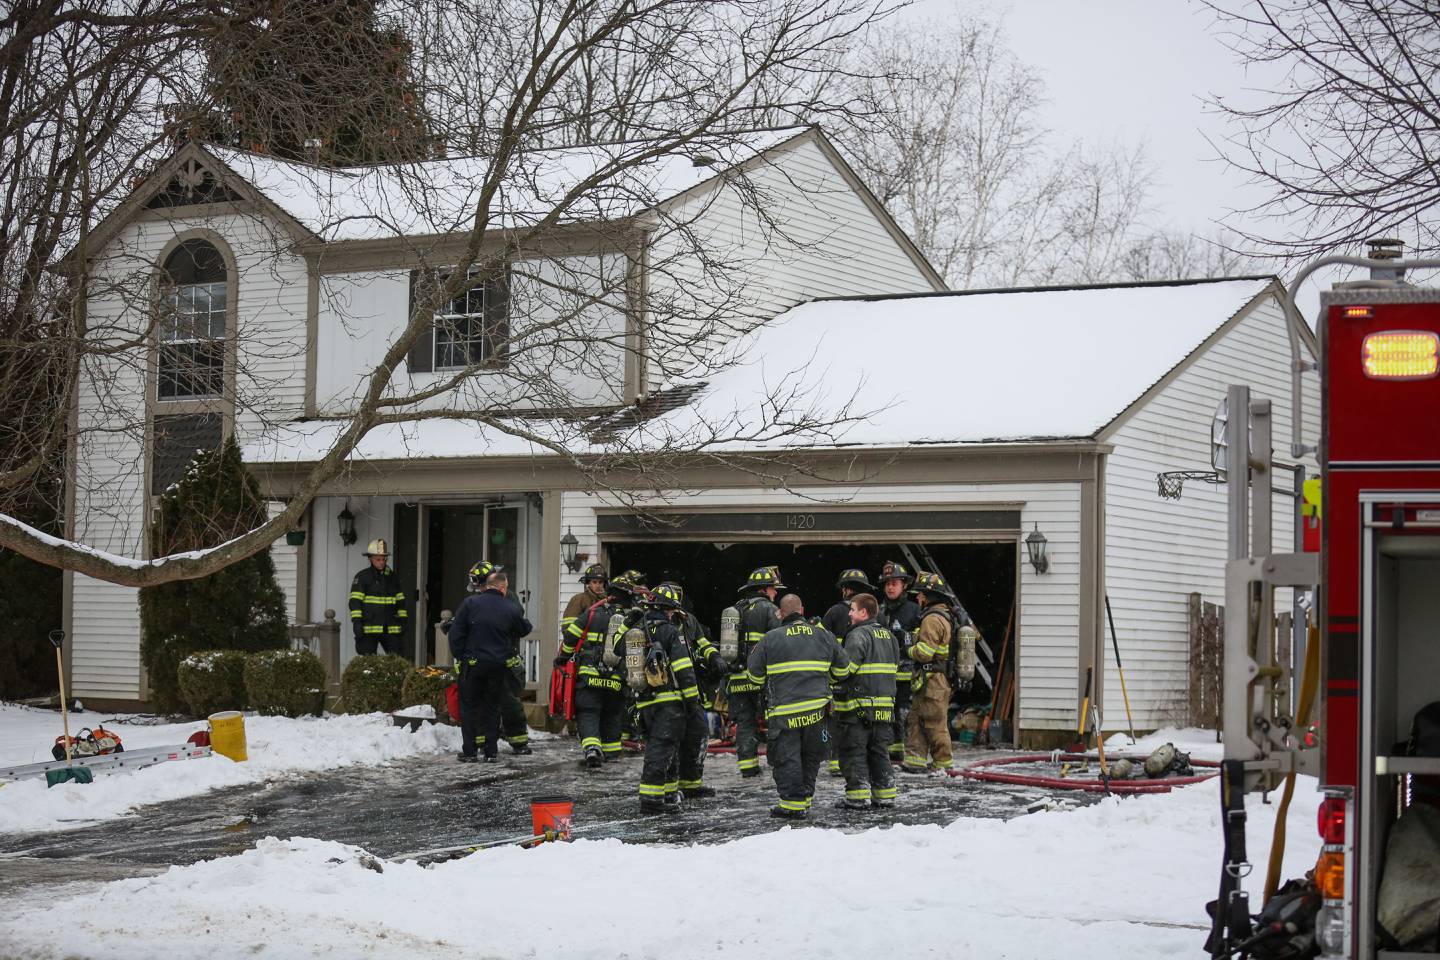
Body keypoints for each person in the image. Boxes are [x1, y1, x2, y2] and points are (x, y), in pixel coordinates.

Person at [745, 593, 854, 819]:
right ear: (802, 611)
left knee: (787, 757)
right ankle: (805, 797)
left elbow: (754, 678)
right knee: (810, 755)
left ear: (780, 613)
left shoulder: (769, 638)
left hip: (784, 713)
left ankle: (792, 804)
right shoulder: (824, 636)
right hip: (817, 711)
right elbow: (844, 671)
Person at [555, 569, 643, 767]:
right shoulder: (633, 619)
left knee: (589, 712)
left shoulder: (594, 611)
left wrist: (563, 657)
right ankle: (612, 754)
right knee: (612, 715)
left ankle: (592, 749)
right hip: (616, 679)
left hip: (589, 675)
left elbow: (571, 637)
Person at [445, 561, 532, 755]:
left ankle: (518, 741)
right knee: (483, 705)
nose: (477, 588)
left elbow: (515, 620)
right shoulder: (477, 599)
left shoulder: (507, 597)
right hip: (490, 660)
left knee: (508, 702)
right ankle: (482, 743)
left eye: (480, 584)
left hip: (505, 659)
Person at [653, 581, 728, 798]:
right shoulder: (654, 624)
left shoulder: (688, 620)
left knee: (698, 734)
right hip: (666, 689)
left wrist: (713, 656)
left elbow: (701, 642)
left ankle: (691, 784)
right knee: (671, 740)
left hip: (691, 686)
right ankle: (668, 787)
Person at [633, 588, 704, 813]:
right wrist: (693, 703)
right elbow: (684, 670)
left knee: (669, 749)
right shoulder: (671, 632)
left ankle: (669, 795)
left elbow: (617, 651)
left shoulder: (638, 630)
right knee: (661, 749)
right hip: (669, 703)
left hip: (645, 703)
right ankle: (651, 801)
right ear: (670, 611)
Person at [833, 592, 900, 809]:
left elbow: (845, 670)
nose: (849, 614)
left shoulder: (857, 635)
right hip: (884, 710)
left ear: (864, 612)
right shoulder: (890, 637)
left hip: (858, 710)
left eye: (852, 609)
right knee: (879, 752)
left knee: (854, 753)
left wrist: (827, 675)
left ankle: (857, 797)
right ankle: (885, 795)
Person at [728, 566, 784, 778]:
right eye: (773, 588)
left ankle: (748, 767)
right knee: (774, 720)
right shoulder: (771, 610)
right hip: (761, 679)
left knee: (745, 722)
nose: (775, 593)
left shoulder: (736, 609)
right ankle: (777, 762)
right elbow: (779, 643)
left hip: (737, 678)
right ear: (764, 589)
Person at [821, 569, 875, 776]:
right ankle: (870, 761)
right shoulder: (878, 616)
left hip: (841, 679)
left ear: (846, 590)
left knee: (838, 720)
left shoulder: (834, 612)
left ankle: (836, 762)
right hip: (869, 683)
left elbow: (823, 644)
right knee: (866, 722)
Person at [903, 572, 957, 774]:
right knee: (916, 718)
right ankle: (915, 761)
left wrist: (907, 649)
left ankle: (943, 763)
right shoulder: (942, 615)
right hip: (929, 679)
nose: (917, 598)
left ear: (928, 596)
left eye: (920, 595)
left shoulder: (932, 619)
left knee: (934, 722)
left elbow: (925, 654)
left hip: (934, 679)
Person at [877, 561, 921, 761]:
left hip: (908, 675)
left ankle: (909, 750)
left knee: (906, 713)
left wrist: (905, 637)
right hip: (885, 676)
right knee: (888, 714)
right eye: (887, 583)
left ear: (904, 585)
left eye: (894, 583)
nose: (890, 587)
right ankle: (894, 749)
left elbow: (922, 641)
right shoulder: (879, 611)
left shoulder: (914, 610)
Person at [348, 539, 408, 657]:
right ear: (370, 558)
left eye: (384, 559)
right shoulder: (362, 577)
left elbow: (400, 601)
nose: (382, 562)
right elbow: (355, 602)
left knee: (397, 660)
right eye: (378, 559)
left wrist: (403, 620)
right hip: (369, 627)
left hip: (391, 627)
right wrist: (357, 623)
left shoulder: (392, 577)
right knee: (368, 664)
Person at [561, 564, 608, 642]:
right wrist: (583, 643)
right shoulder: (579, 599)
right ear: (588, 583)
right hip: (584, 649)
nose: (598, 585)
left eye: (600, 582)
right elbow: (568, 628)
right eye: (594, 582)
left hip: (601, 650)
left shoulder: (606, 602)